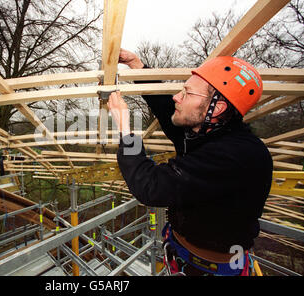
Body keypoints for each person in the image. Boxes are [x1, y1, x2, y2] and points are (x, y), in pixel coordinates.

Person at [107, 49, 273, 276]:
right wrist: (137, 66)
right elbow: (167, 110)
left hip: (211, 270)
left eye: (187, 93)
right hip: (181, 254)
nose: (177, 96)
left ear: (218, 108)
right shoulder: (204, 131)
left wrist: (125, 130)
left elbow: (150, 186)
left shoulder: (237, 155)